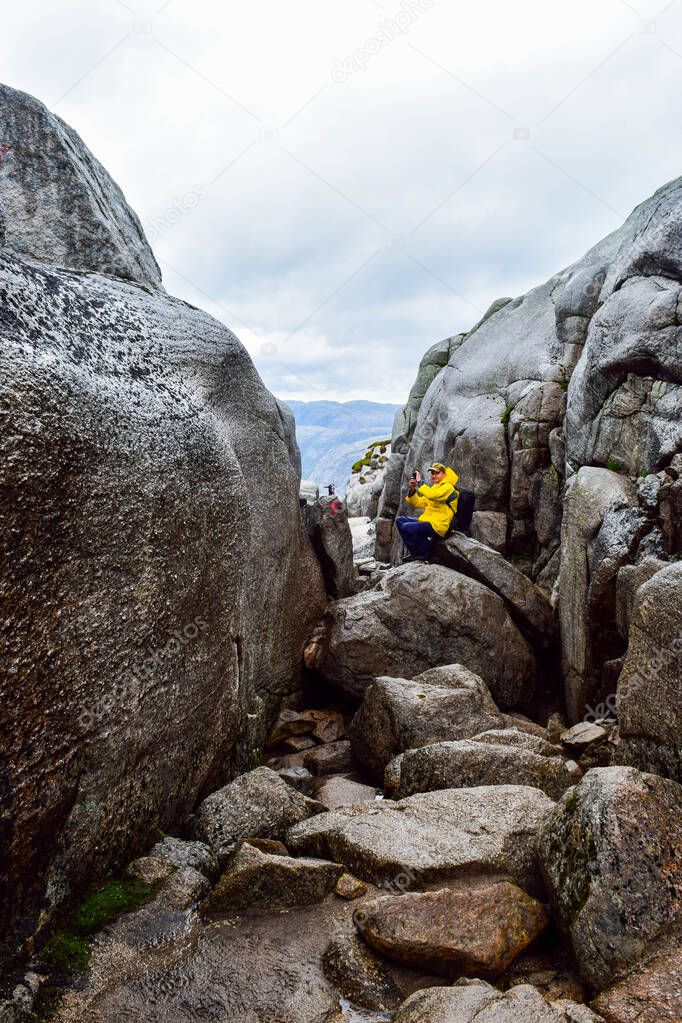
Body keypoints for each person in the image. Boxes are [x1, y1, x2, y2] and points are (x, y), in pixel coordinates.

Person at [396, 462, 459, 562]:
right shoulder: (435, 488)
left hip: (439, 525)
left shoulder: (449, 488)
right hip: (429, 521)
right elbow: (418, 503)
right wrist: (412, 490)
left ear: (444, 474)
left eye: (437, 473)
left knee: (407, 527)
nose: (434, 476)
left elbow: (432, 495)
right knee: (400, 521)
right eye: (432, 473)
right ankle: (416, 553)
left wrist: (420, 482)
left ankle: (426, 553)